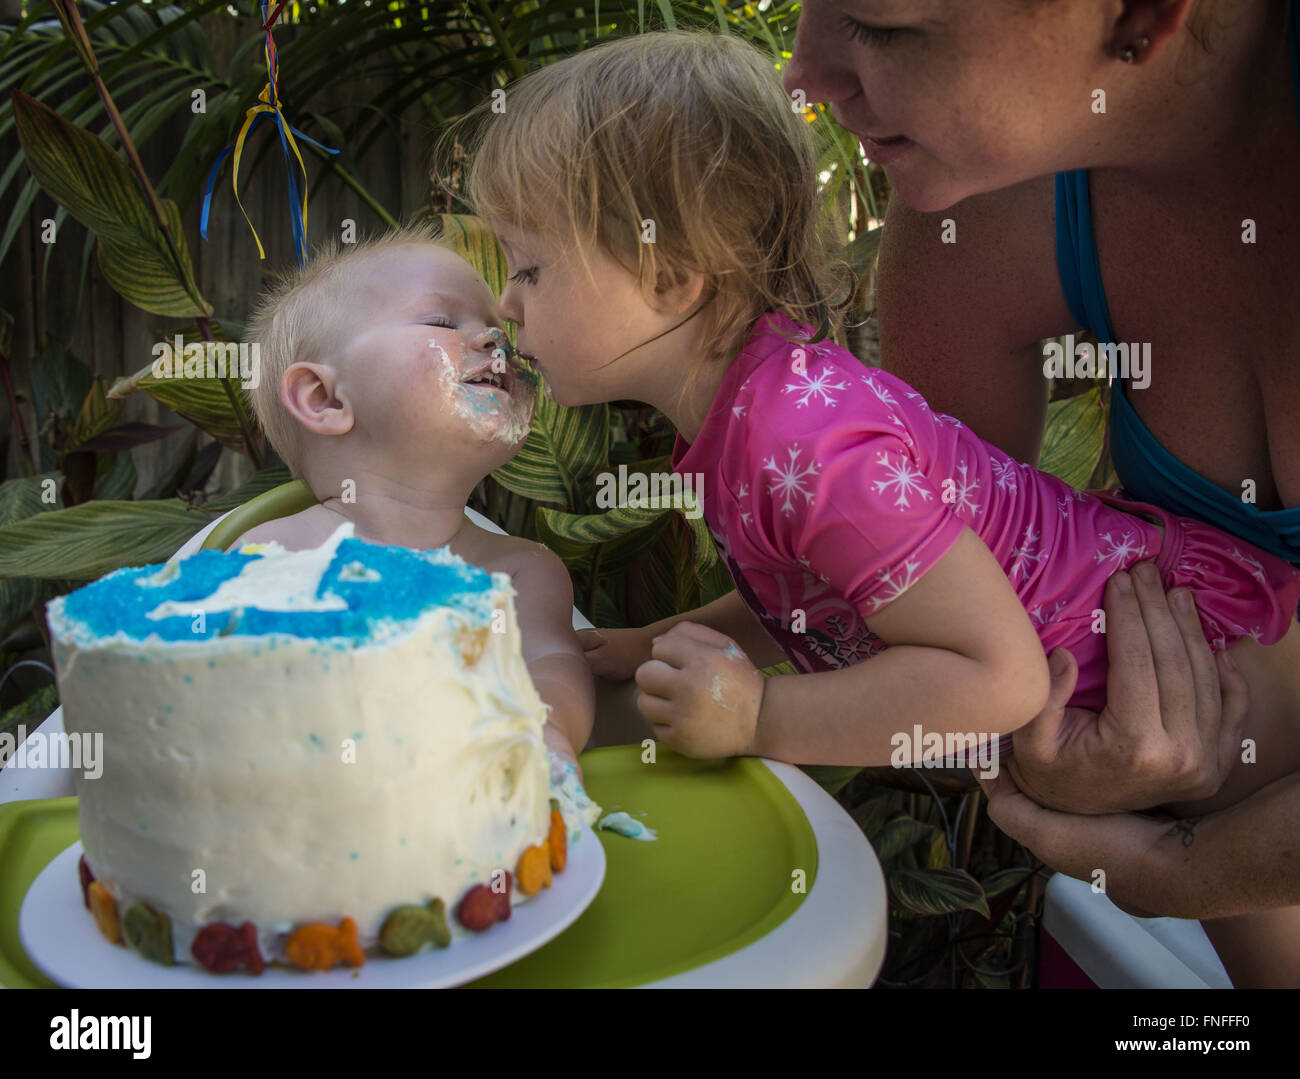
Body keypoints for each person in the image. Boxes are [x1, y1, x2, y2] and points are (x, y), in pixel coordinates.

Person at [451, 27, 1300, 984]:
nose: (508, 306)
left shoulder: (800, 444)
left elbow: (1001, 681)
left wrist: (761, 718)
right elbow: (823, 589)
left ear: (668, 276)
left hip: (1229, 680)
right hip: (1177, 689)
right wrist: (661, 636)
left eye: (529, 268)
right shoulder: (753, 415)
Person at [783, 0, 1300, 985]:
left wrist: (1178, 871)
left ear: (1141, 14)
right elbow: (931, 591)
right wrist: (1049, 739)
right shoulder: (982, 200)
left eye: (883, 27)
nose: (803, 75)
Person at [232, 220, 595, 777]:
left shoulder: (522, 572)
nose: (497, 340)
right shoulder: (272, 559)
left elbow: (553, 668)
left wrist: (542, 733)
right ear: (324, 398)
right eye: (441, 321)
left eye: (497, 327)